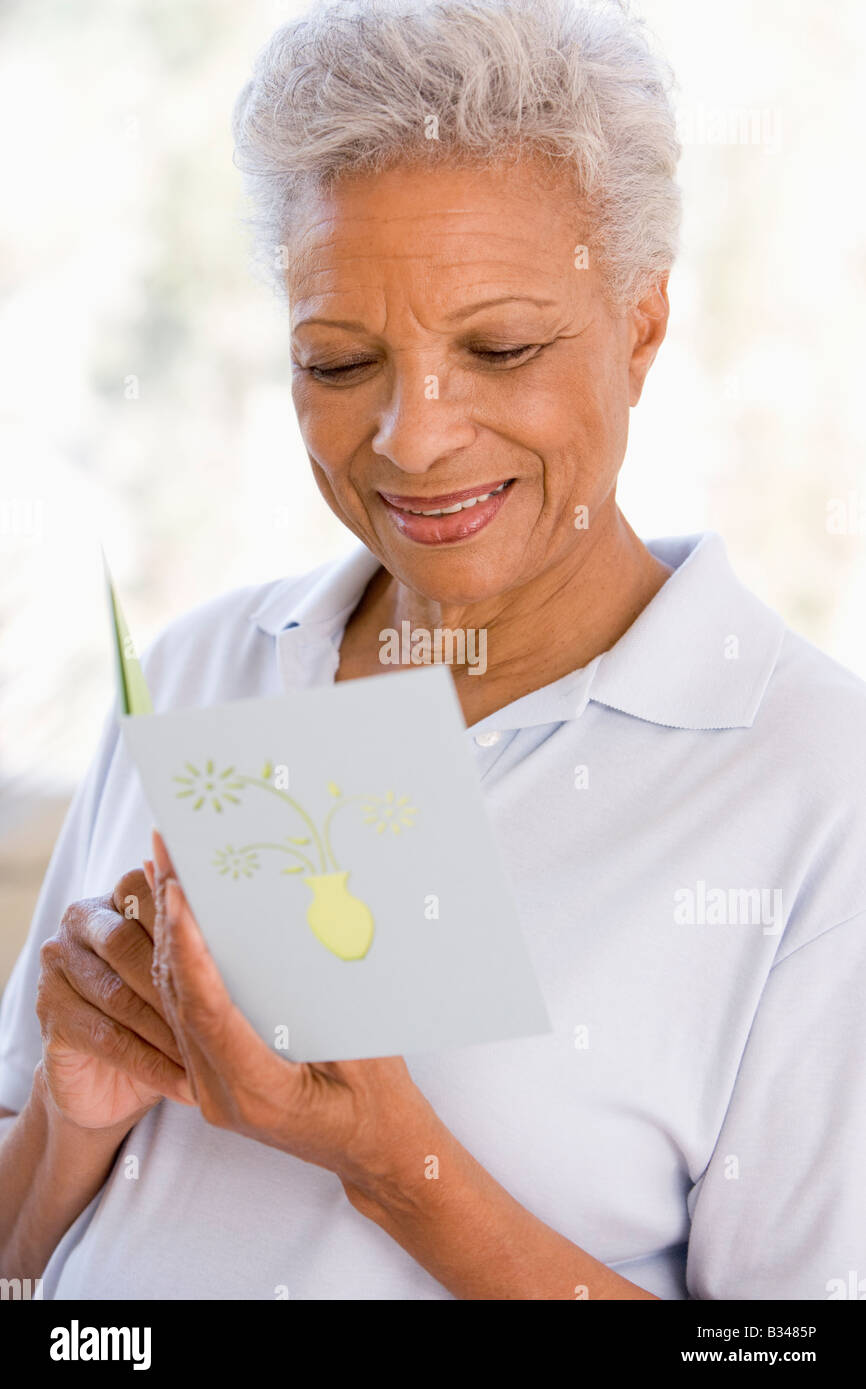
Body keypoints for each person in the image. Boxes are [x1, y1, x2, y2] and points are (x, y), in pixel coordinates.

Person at [1, 0, 864, 1300]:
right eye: (338, 360)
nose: (411, 436)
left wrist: (394, 1164)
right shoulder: (196, 675)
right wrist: (77, 1120)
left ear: (639, 325)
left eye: (498, 346)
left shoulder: (815, 790)